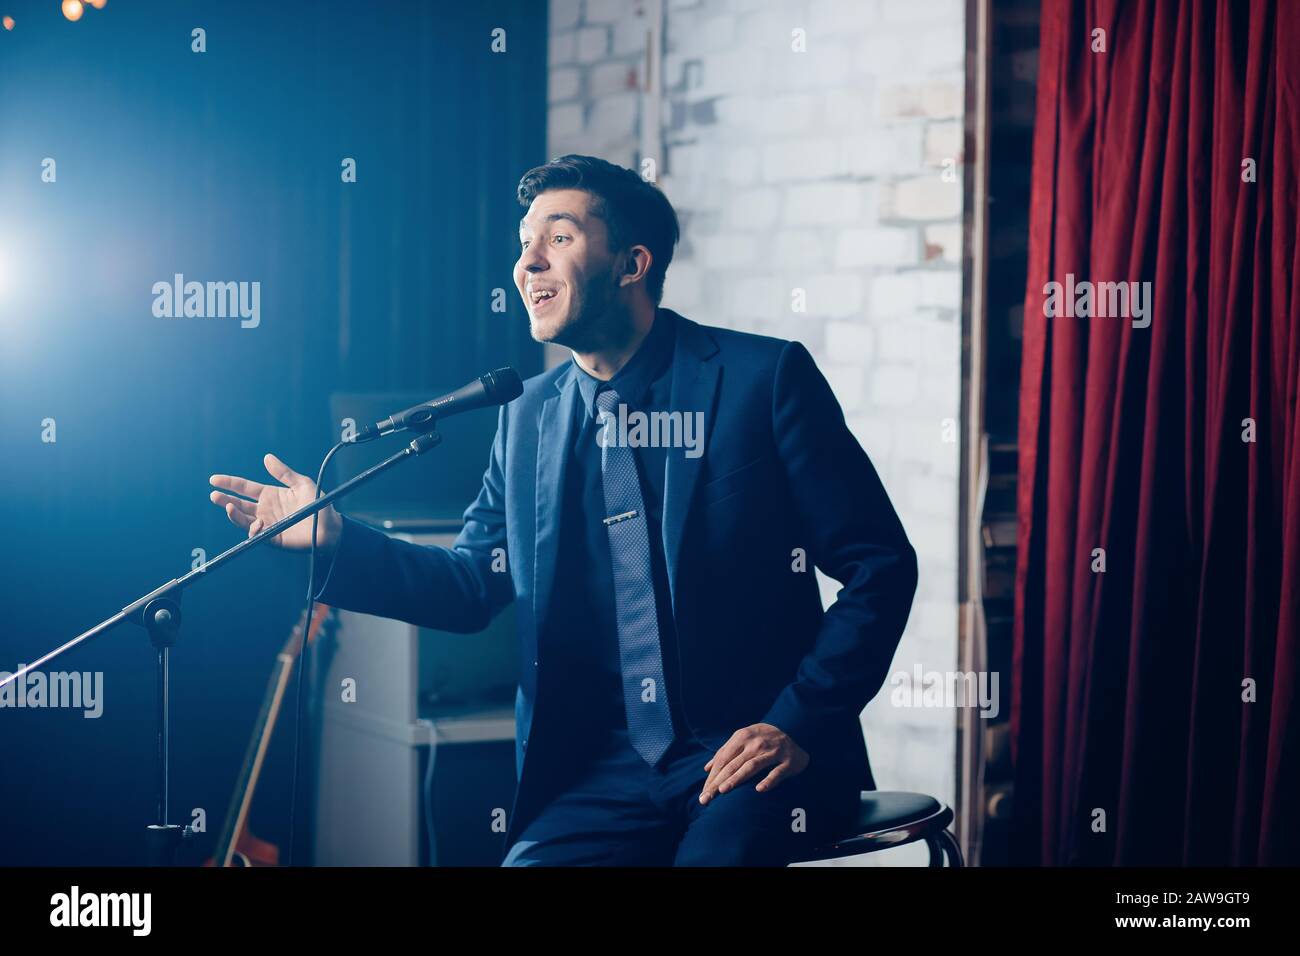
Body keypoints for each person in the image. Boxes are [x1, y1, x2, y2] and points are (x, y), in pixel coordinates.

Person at [209, 154, 918, 866]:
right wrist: (336, 541)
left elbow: (879, 567)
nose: (528, 263)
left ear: (631, 263)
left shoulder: (761, 381)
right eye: (523, 245)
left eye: (559, 237)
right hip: (598, 774)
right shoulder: (526, 419)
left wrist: (793, 723)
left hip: (749, 758)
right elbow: (472, 585)